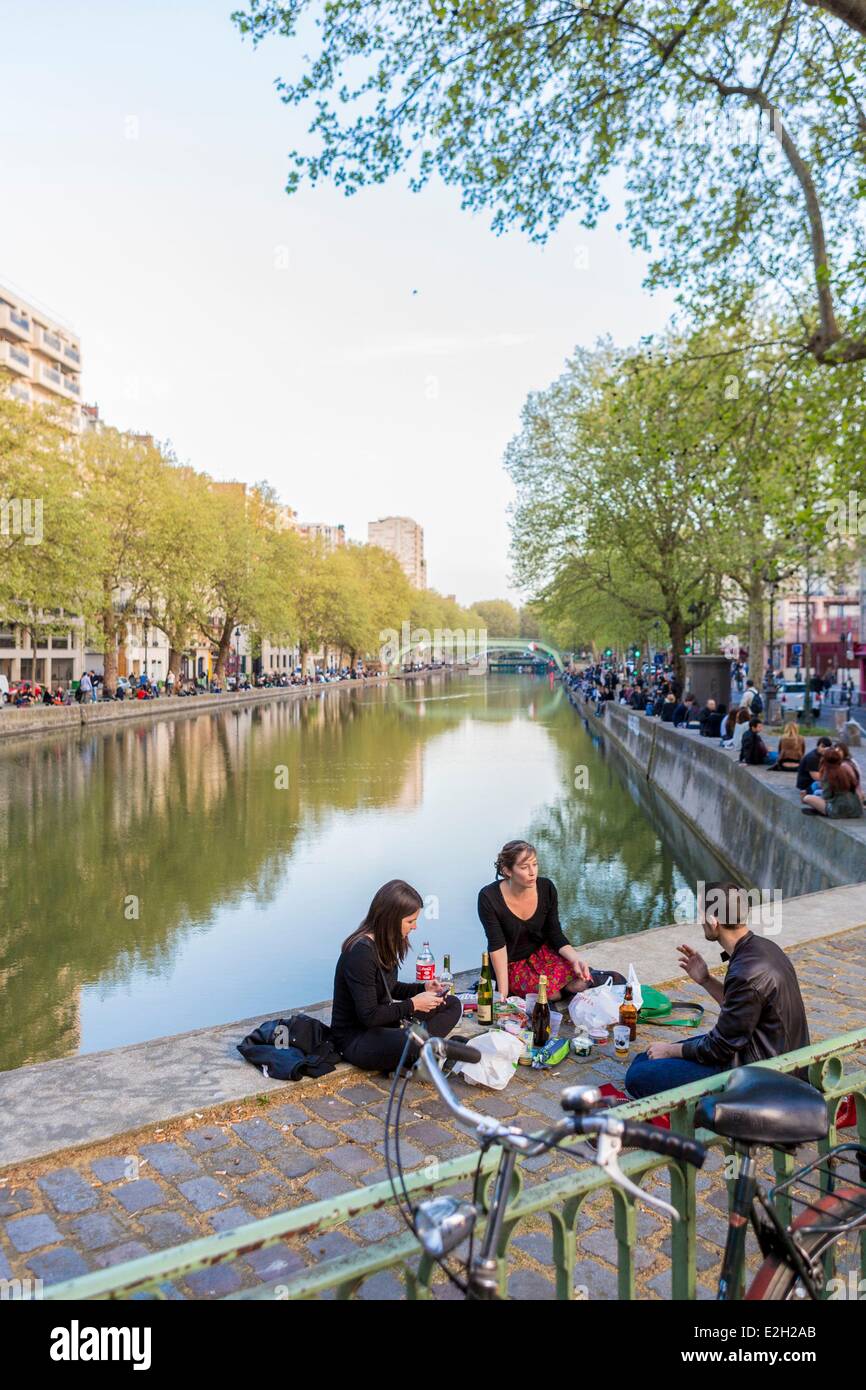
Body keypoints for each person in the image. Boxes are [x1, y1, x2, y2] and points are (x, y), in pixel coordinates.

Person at [624, 881, 809, 1099]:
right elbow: (743, 1010)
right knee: (645, 1058)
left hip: (759, 1074)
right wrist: (705, 979)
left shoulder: (746, 972)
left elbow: (720, 1047)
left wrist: (670, 1050)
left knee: (637, 1075)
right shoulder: (762, 948)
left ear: (714, 922)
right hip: (771, 1055)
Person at [330, 879, 462, 1073]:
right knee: (415, 1040)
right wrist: (414, 1004)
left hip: (386, 1023)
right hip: (357, 1038)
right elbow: (369, 1016)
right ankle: (423, 1050)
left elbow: (389, 987)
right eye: (410, 921)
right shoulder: (360, 953)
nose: (415, 927)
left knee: (451, 1003)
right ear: (390, 919)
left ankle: (422, 1050)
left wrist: (423, 989)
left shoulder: (386, 941)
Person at [477, 840, 624, 1002]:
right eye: (524, 867)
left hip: (543, 955)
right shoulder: (489, 898)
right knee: (545, 993)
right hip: (512, 964)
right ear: (507, 871)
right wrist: (502, 994)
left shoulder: (546, 888)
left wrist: (576, 958)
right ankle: (565, 991)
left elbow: (555, 933)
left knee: (582, 978)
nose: (532, 872)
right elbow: (497, 946)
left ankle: (572, 987)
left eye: (535, 864)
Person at [801, 747, 864, 819]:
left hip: (838, 810)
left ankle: (820, 811)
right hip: (856, 810)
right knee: (817, 793)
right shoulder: (845, 769)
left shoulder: (828, 775)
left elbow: (826, 796)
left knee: (807, 798)